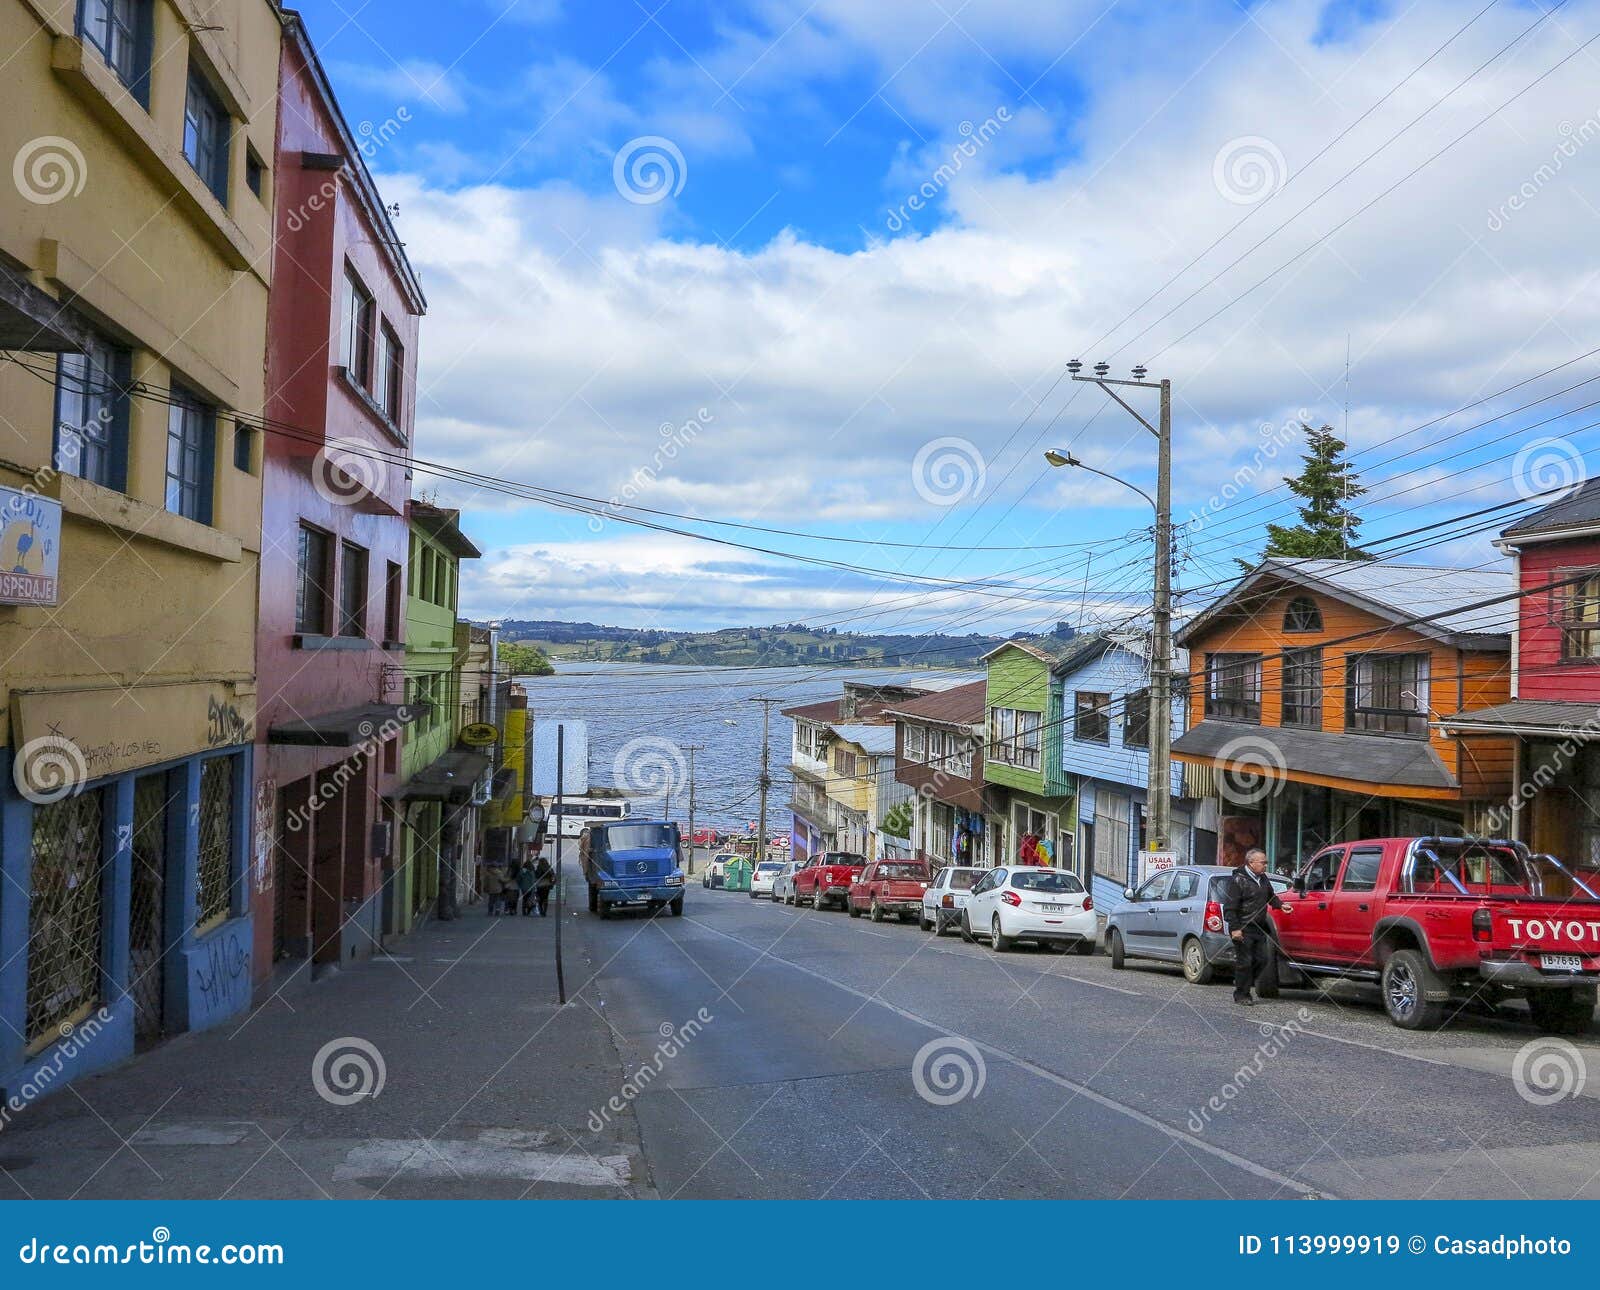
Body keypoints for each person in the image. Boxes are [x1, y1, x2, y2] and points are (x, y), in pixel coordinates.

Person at [1223, 847, 1293, 1006]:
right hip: (1242, 927)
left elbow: (1270, 896)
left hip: (1259, 927)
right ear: (1251, 863)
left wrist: (1280, 905)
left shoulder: (1263, 878)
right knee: (1245, 961)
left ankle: (1242, 980)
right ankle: (1242, 994)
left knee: (1262, 959)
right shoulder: (1238, 880)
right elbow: (1230, 908)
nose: (1265, 865)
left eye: (1266, 863)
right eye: (1263, 863)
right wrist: (1235, 928)